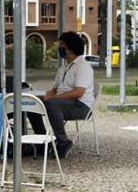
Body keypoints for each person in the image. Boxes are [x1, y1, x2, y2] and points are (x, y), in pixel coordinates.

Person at [29, 31, 95, 159]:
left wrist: (51, 98)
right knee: (33, 105)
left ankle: (63, 142)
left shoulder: (83, 67)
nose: (60, 48)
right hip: (62, 102)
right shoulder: (63, 68)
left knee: (52, 103)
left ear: (70, 47)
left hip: (80, 106)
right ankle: (43, 142)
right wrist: (42, 97)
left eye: (62, 45)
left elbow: (78, 92)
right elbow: (54, 90)